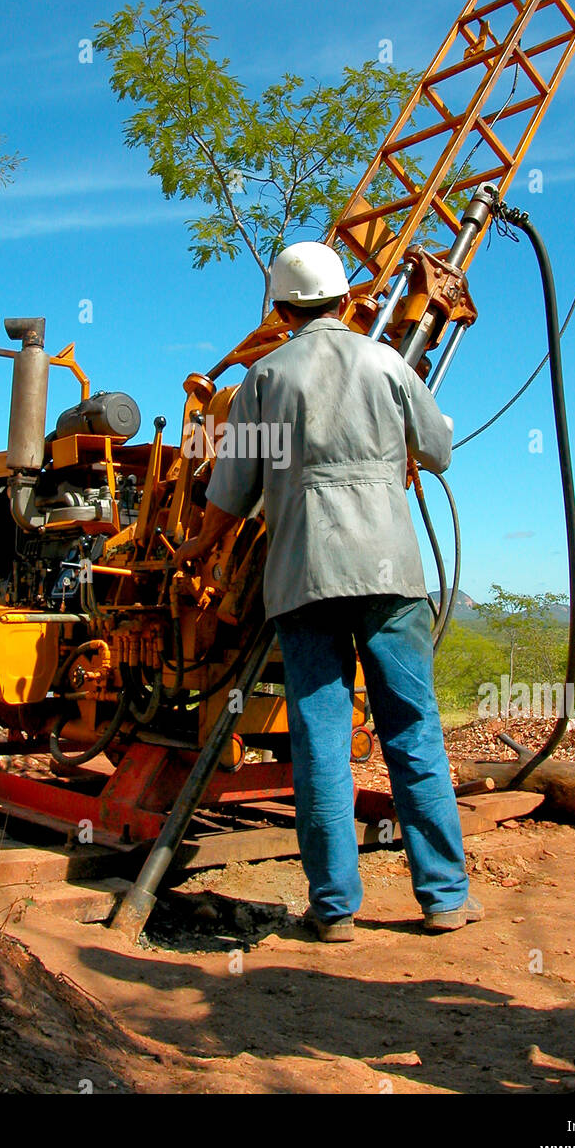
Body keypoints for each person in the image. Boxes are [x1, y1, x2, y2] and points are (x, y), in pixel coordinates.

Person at [173, 241, 482, 941]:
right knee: (412, 729)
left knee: (319, 738)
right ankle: (442, 899)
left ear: (280, 310)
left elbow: (232, 490)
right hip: (389, 574)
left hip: (303, 575)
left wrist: (196, 544)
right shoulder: (388, 364)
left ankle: (334, 909)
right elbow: (436, 451)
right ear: (346, 301)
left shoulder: (263, 380)